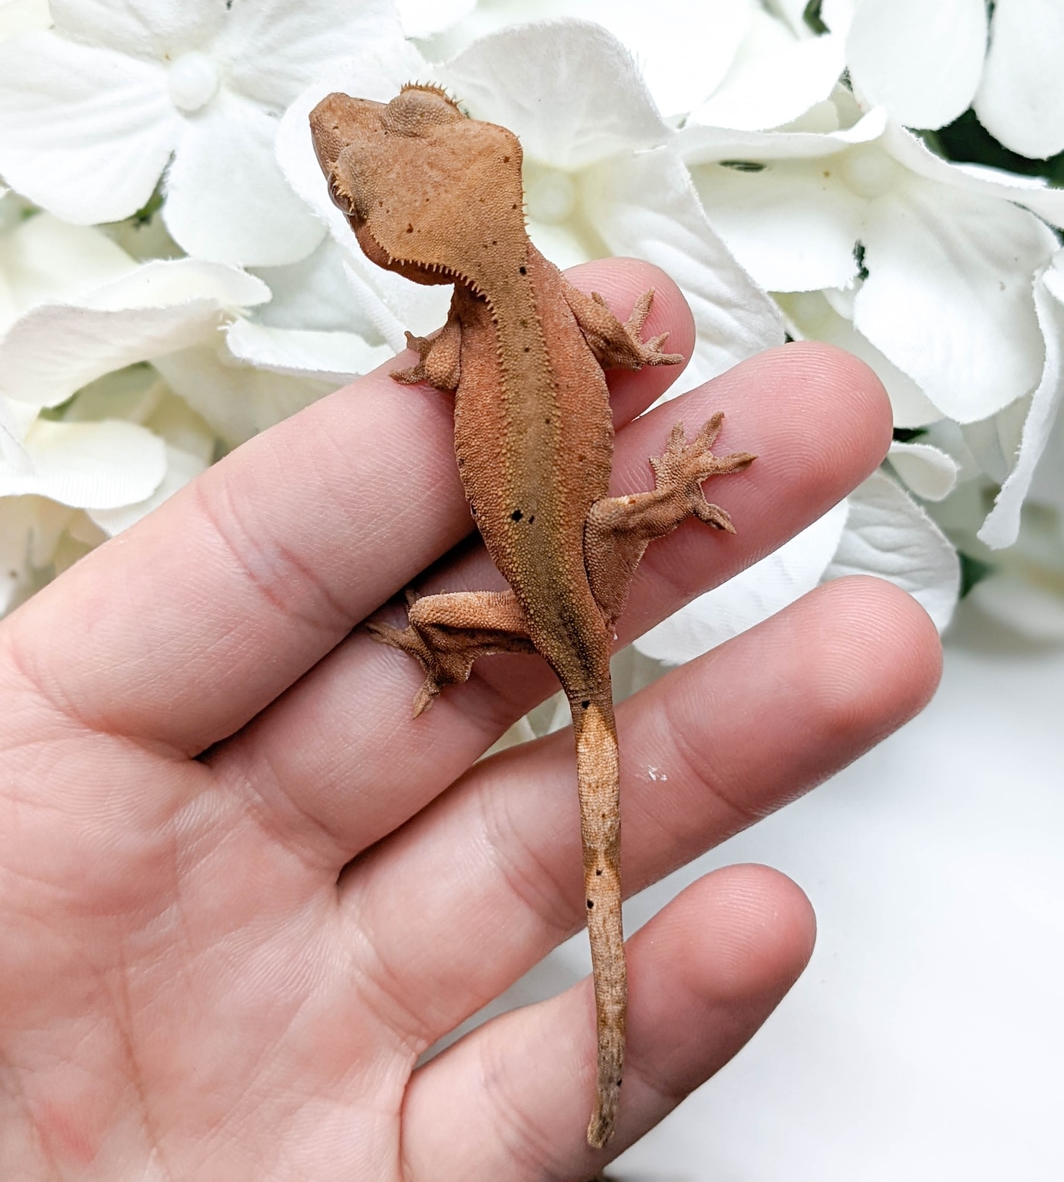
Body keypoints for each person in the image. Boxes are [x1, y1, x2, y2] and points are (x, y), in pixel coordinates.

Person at [0, 261, 940, 1179]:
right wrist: (654, 453)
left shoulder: (478, 323)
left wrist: (436, 372)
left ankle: (446, 653)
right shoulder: (545, 295)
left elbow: (446, 367)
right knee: (578, 567)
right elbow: (610, 350)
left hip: (549, 600)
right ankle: (608, 543)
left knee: (437, 619)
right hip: (586, 569)